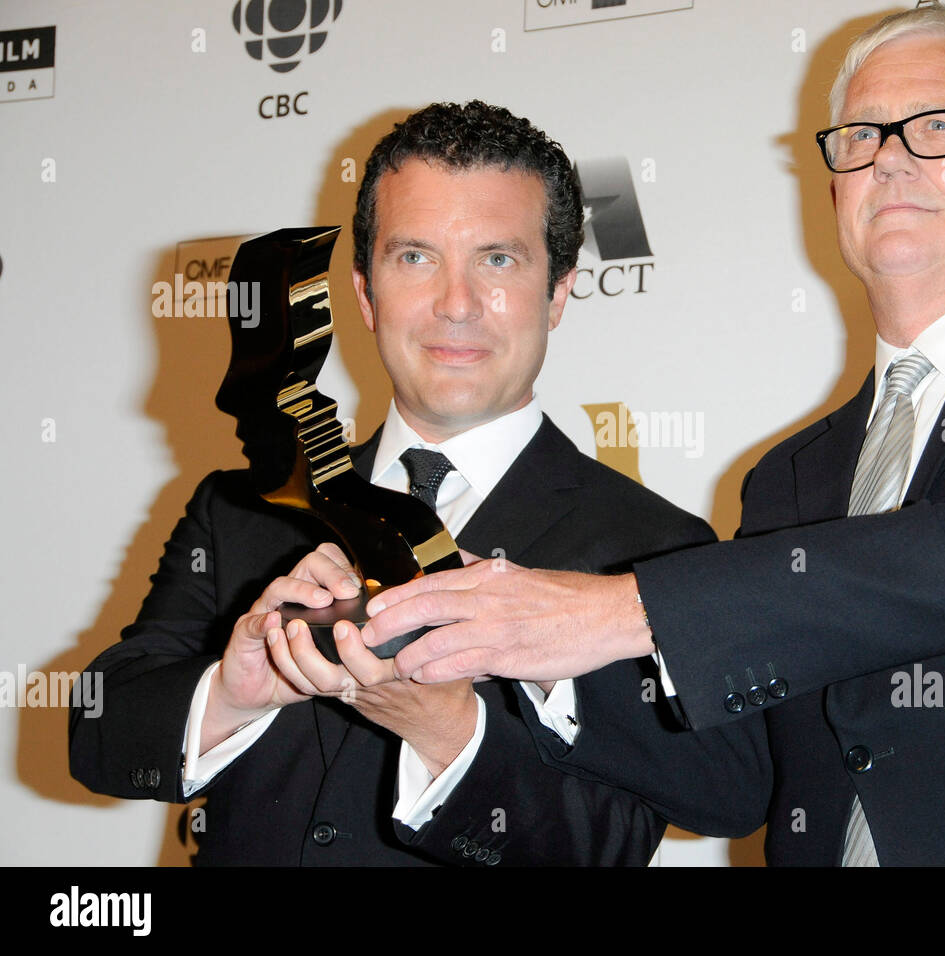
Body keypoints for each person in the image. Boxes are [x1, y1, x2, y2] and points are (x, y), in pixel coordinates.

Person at [360, 10, 945, 865]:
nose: (888, 159)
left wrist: (613, 611)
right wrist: (465, 653)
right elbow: (736, 774)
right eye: (860, 138)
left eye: (938, 128)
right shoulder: (791, 479)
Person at [68, 100, 768, 866]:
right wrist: (233, 693)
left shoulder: (652, 553)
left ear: (559, 292)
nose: (456, 304)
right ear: (365, 295)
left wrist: (449, 735)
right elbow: (99, 736)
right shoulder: (240, 512)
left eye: (497, 260)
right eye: (416, 258)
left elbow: (711, 801)